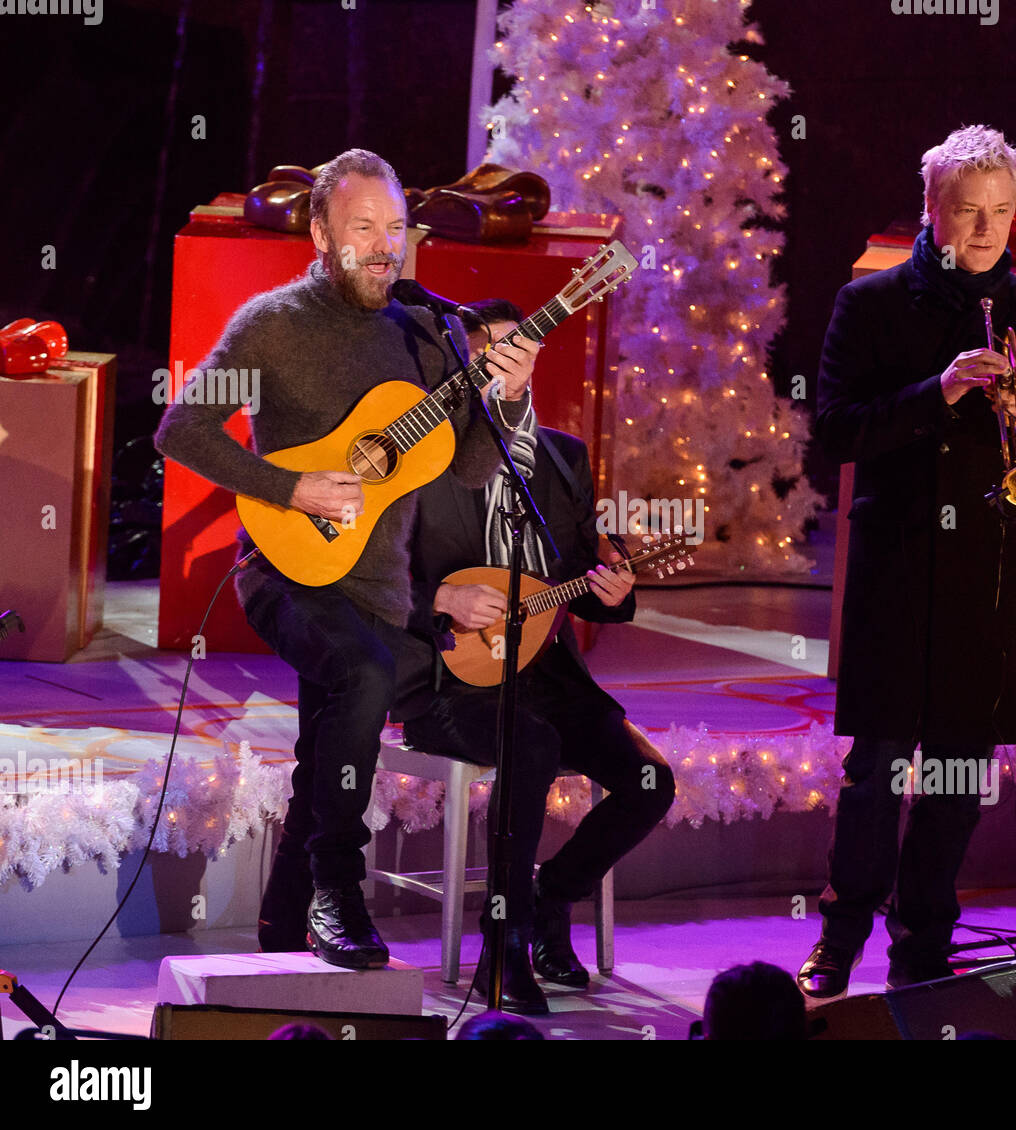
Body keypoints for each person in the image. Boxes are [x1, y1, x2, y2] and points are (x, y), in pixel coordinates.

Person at [154, 150, 538, 969]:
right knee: (361, 676)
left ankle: (284, 918)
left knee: (336, 729)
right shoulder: (272, 324)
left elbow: (467, 468)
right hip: (283, 573)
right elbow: (179, 429)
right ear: (323, 231)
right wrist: (287, 487)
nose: (383, 245)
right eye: (363, 227)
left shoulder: (423, 331)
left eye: (396, 228)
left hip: (377, 585)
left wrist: (508, 396)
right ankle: (338, 891)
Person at [799, 125, 1016, 997]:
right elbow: (837, 431)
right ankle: (842, 937)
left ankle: (924, 947)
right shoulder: (872, 303)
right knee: (876, 769)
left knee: (960, 774)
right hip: (899, 563)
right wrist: (941, 392)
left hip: (991, 569)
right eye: (968, 212)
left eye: (1001, 212)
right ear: (932, 211)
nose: (987, 229)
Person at [391, 298, 676, 1014]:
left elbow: (575, 580)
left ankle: (551, 898)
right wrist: (442, 602)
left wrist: (611, 590)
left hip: (545, 671)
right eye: (491, 358)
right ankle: (505, 940)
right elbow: (373, 571)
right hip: (448, 674)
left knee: (649, 781)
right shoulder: (422, 458)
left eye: (519, 356)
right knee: (531, 743)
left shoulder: (562, 457)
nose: (507, 369)